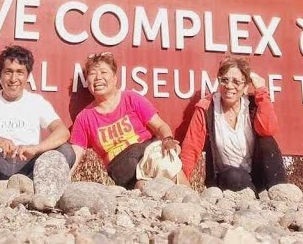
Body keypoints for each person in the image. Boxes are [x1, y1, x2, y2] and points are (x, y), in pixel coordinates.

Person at [0, 45, 74, 194]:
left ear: (28, 76)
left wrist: (36, 148)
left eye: (20, 72)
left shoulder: (37, 102)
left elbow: (62, 132)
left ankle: (44, 196)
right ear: (0, 74)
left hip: (27, 168)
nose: (13, 79)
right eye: (8, 72)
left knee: (65, 150)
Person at [68, 52, 183, 189]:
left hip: (146, 151)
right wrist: (65, 175)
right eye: (92, 74)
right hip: (121, 165)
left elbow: (160, 126)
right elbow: (76, 152)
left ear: (115, 78)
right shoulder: (84, 117)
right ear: (87, 82)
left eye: (104, 72)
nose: (98, 78)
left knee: (167, 161)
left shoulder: (131, 98)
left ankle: (192, 203)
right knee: (143, 185)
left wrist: (168, 139)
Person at [178, 56, 286, 192]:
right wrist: (181, 187)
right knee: (235, 176)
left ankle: (280, 195)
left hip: (257, 177)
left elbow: (268, 129)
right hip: (226, 177)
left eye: (236, 82)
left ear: (246, 86)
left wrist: (262, 92)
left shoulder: (253, 105)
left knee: (268, 142)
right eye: (224, 80)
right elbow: (191, 148)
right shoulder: (207, 108)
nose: (229, 86)